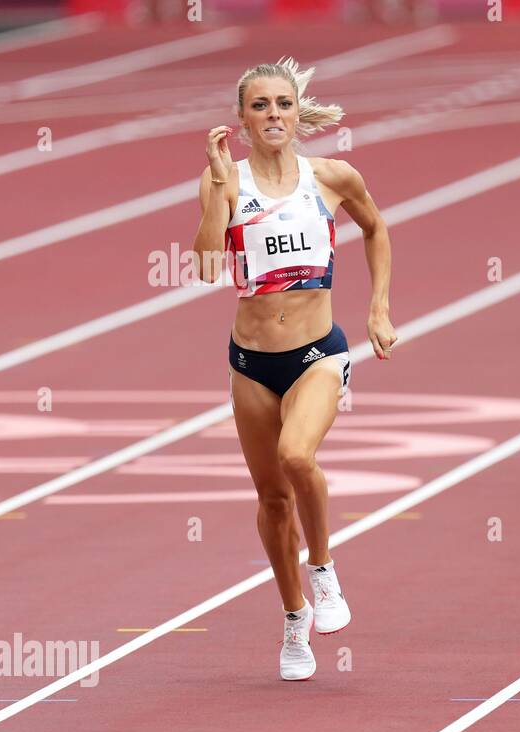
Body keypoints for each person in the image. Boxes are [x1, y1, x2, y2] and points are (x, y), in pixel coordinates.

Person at [193, 58, 397, 681]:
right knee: (271, 499)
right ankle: (291, 618)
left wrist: (378, 306)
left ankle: (325, 568)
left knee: (297, 456)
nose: (273, 114)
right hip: (251, 362)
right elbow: (205, 267)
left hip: (317, 353)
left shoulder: (332, 177)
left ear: (296, 113)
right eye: (260, 106)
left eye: (283, 103)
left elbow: (376, 228)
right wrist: (220, 191)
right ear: (243, 119)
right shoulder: (224, 181)